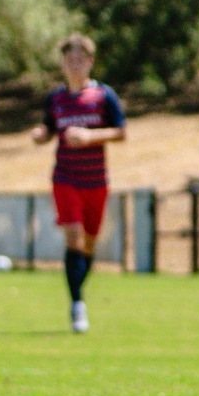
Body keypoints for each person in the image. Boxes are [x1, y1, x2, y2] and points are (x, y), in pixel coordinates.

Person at [29, 34, 126, 334]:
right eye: (69, 59)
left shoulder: (104, 96)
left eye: (80, 59)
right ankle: (77, 304)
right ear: (62, 64)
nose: (74, 65)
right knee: (73, 237)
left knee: (88, 245)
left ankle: (76, 291)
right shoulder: (55, 98)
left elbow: (121, 132)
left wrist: (89, 136)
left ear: (90, 62)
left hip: (95, 181)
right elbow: (49, 127)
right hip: (65, 177)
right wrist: (41, 134)